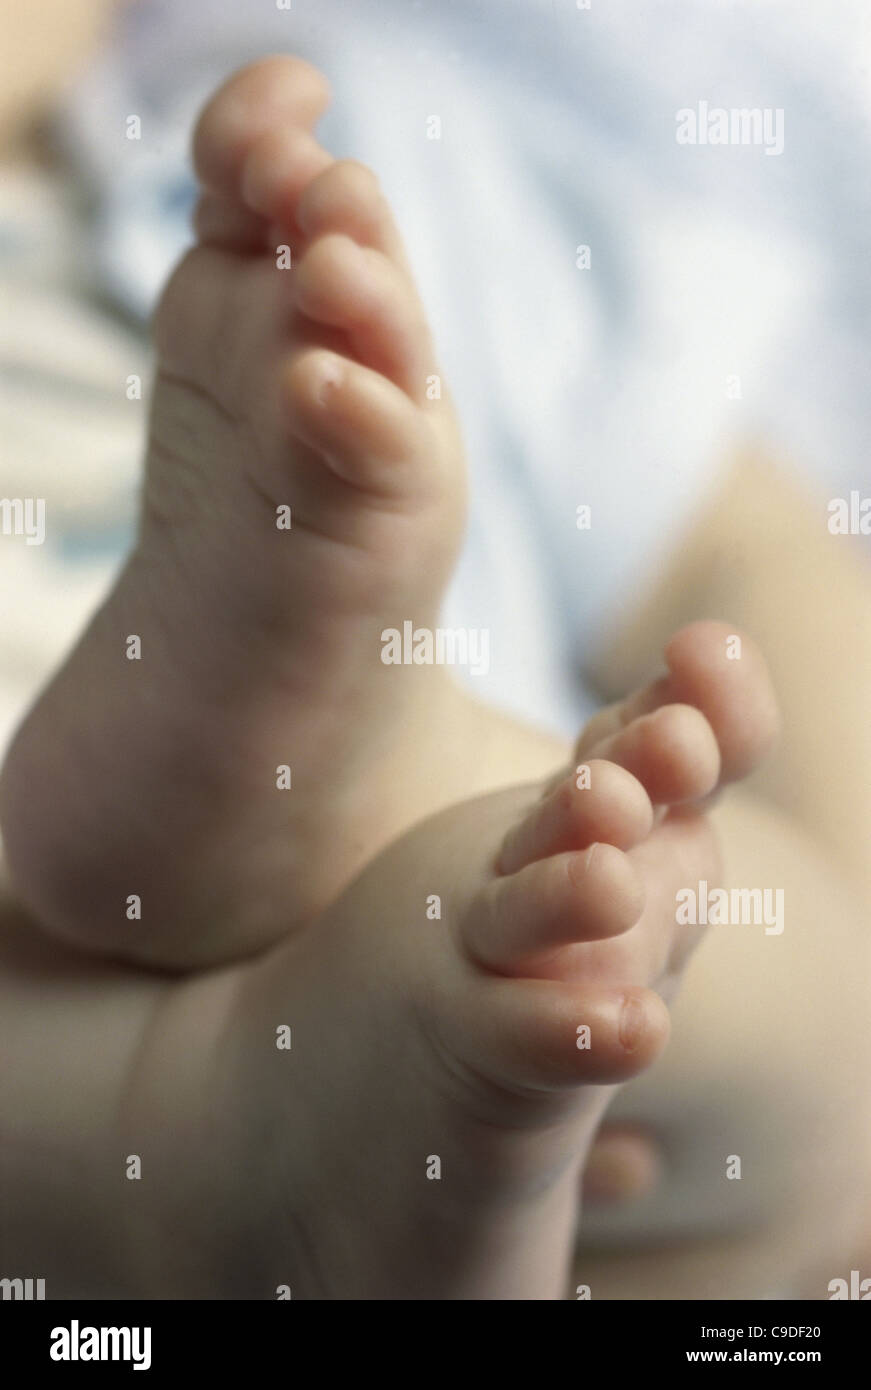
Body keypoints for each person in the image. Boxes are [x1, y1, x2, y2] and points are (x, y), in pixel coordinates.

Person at [1, 8, 869, 1300]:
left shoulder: (357, 155)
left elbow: (743, 546)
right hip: (112, 1135)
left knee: (806, 1019)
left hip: (596, 1052)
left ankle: (385, 786)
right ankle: (227, 1155)